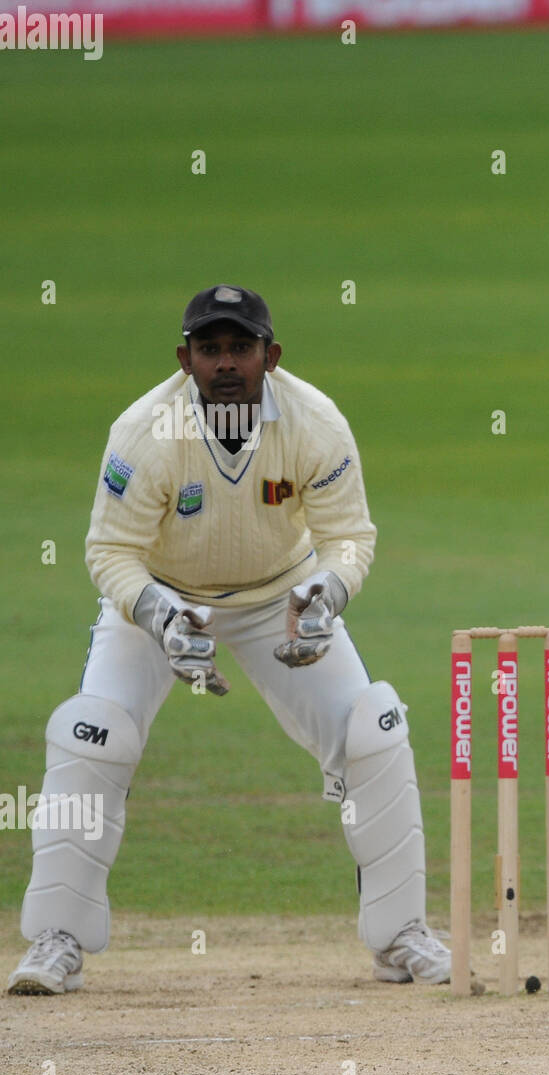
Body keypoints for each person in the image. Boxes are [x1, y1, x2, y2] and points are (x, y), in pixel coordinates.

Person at [8, 285, 450, 995]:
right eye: (209, 349)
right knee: (92, 734)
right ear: (184, 359)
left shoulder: (316, 423)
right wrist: (157, 613)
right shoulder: (143, 431)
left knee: (375, 730)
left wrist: (326, 595)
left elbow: (349, 539)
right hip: (159, 595)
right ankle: (56, 938)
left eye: (239, 348)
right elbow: (110, 551)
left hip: (283, 591)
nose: (225, 364)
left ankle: (401, 936)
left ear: (270, 356)